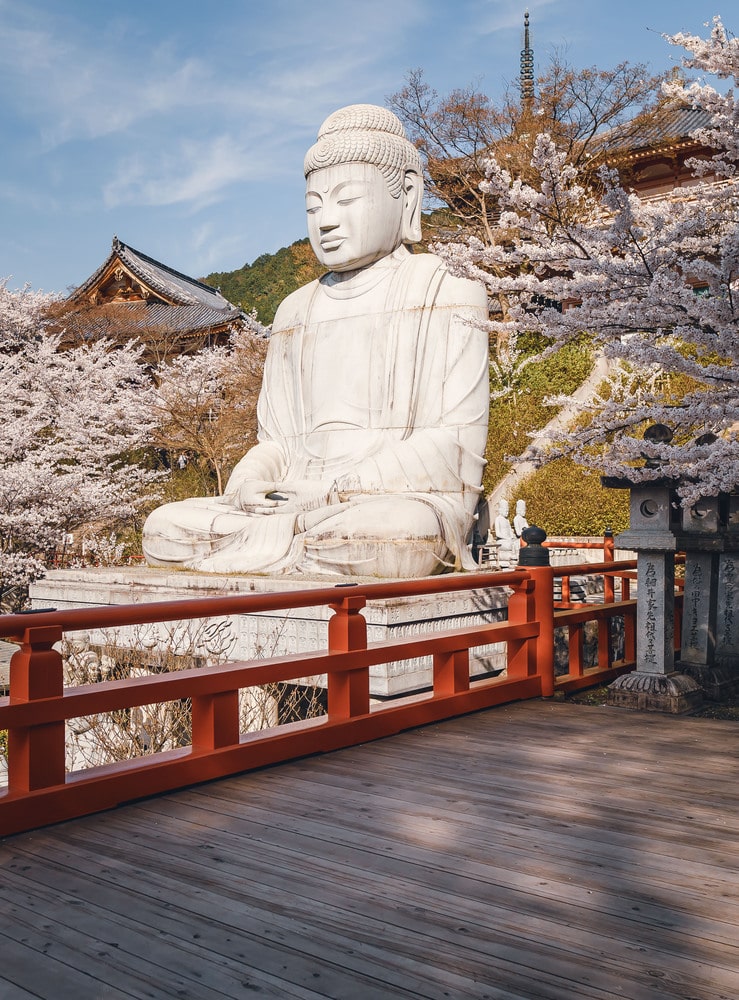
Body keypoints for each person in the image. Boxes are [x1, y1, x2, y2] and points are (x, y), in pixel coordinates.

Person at [143, 104, 489, 578]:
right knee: (164, 525)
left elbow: (453, 442)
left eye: (346, 200)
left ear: (406, 194)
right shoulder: (294, 310)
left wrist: (339, 490)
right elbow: (278, 443)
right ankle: (293, 546)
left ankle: (283, 546)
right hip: (292, 500)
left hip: (382, 502)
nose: (325, 221)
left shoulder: (447, 290)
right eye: (313, 206)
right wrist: (250, 481)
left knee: (398, 534)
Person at [493, 499, 517, 566]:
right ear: (501, 510)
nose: (507, 513)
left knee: (518, 543)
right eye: (506, 511)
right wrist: (507, 538)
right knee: (511, 545)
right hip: (501, 541)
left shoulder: (507, 520)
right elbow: (498, 534)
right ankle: (513, 559)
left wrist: (512, 536)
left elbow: (510, 531)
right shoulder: (498, 519)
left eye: (507, 511)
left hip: (509, 540)